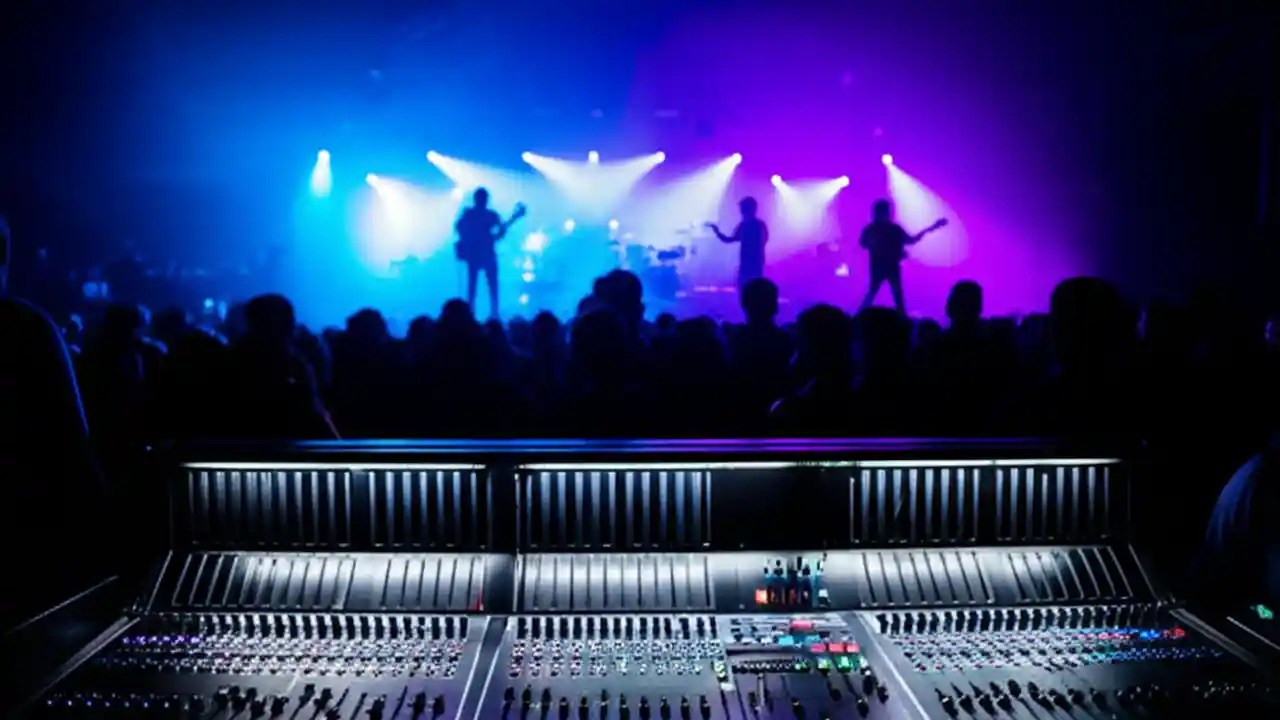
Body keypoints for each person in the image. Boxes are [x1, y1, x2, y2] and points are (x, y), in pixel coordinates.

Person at [857, 199, 943, 313]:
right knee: (889, 296)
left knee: (887, 296)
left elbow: (911, 240)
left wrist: (930, 228)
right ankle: (900, 321)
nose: (889, 213)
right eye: (887, 211)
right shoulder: (879, 229)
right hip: (883, 267)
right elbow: (863, 243)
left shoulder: (887, 228)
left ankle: (861, 318)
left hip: (886, 267)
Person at [454, 188, 522, 318]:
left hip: (481, 253)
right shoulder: (477, 214)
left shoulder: (477, 214)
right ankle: (487, 314)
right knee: (485, 286)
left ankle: (486, 314)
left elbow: (459, 228)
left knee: (481, 285)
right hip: (481, 253)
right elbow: (459, 228)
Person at [707, 196, 768, 289]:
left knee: (747, 289)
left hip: (750, 263)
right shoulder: (757, 225)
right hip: (754, 262)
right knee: (753, 289)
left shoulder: (745, 225)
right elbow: (765, 240)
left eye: (742, 208)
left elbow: (729, 240)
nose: (741, 211)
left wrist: (717, 231)